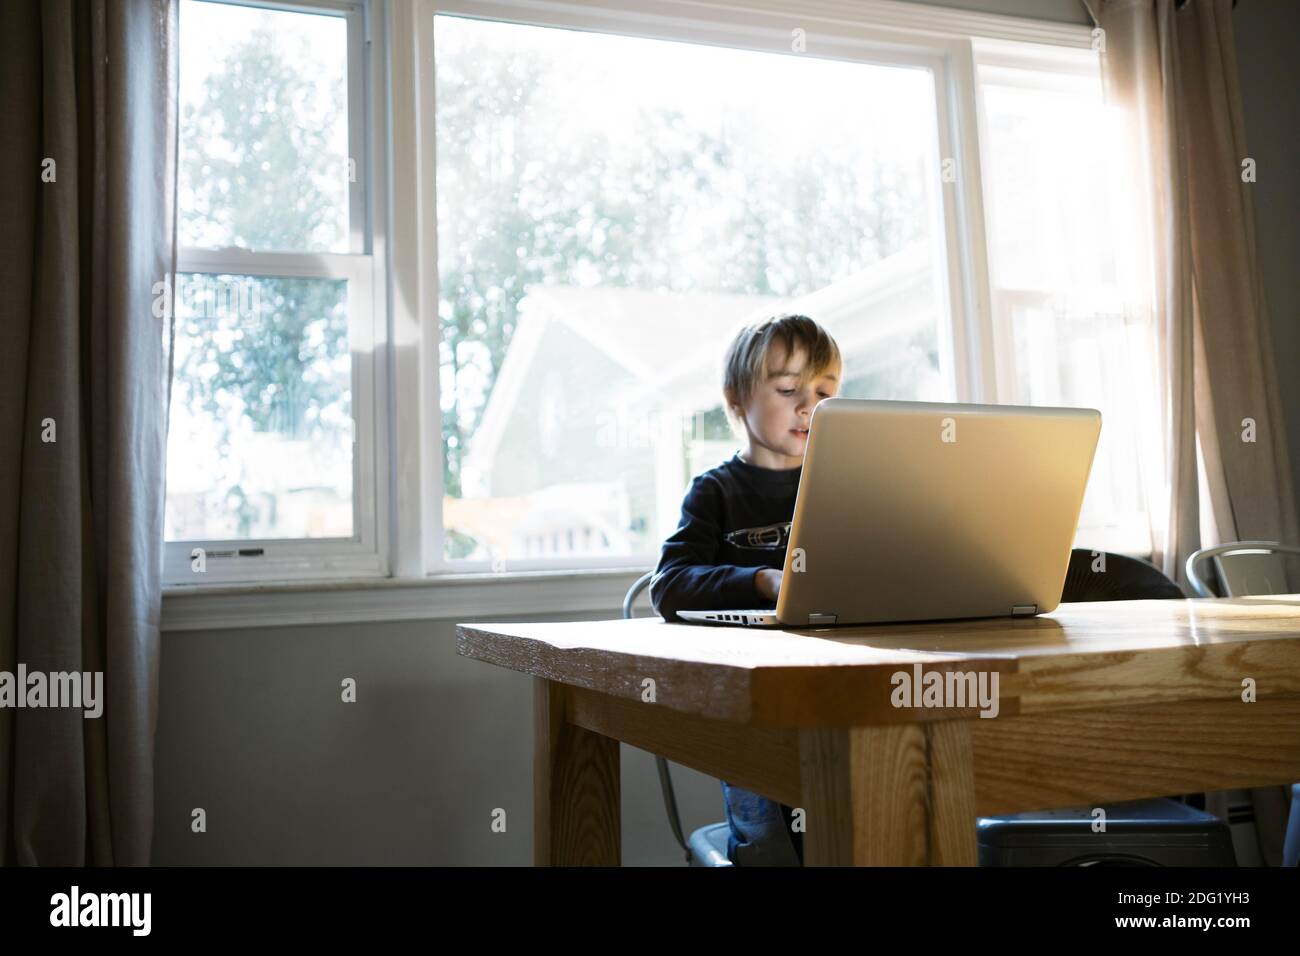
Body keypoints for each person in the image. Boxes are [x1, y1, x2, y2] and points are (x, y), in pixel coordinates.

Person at [650, 312, 842, 866]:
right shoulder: (716, 492)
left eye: (826, 391)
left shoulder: (847, 480)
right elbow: (671, 585)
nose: (810, 405)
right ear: (737, 398)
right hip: (756, 704)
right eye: (789, 389)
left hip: (846, 689)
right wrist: (760, 579)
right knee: (771, 845)